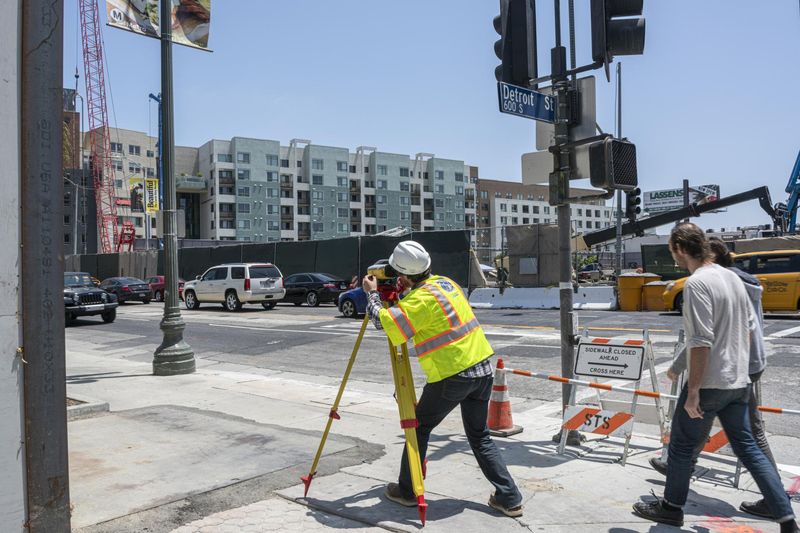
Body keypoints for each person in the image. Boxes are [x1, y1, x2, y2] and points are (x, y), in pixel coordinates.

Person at [632, 223, 797, 532]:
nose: (674, 258)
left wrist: (693, 390)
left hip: (710, 382)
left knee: (681, 447)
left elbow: (701, 341)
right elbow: (749, 329)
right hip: (739, 381)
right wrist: (739, 371)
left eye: (672, 252)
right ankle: (786, 518)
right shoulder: (733, 279)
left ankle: (671, 508)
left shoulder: (696, 284)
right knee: (749, 448)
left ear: (681, 249)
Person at [362, 240, 523, 518]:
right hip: (482, 369)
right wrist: (405, 292)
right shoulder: (444, 284)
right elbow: (426, 314)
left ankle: (408, 491)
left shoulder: (418, 300)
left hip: (452, 375)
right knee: (480, 435)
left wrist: (372, 295)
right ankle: (509, 497)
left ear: (403, 275)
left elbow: (388, 325)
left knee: (418, 427)